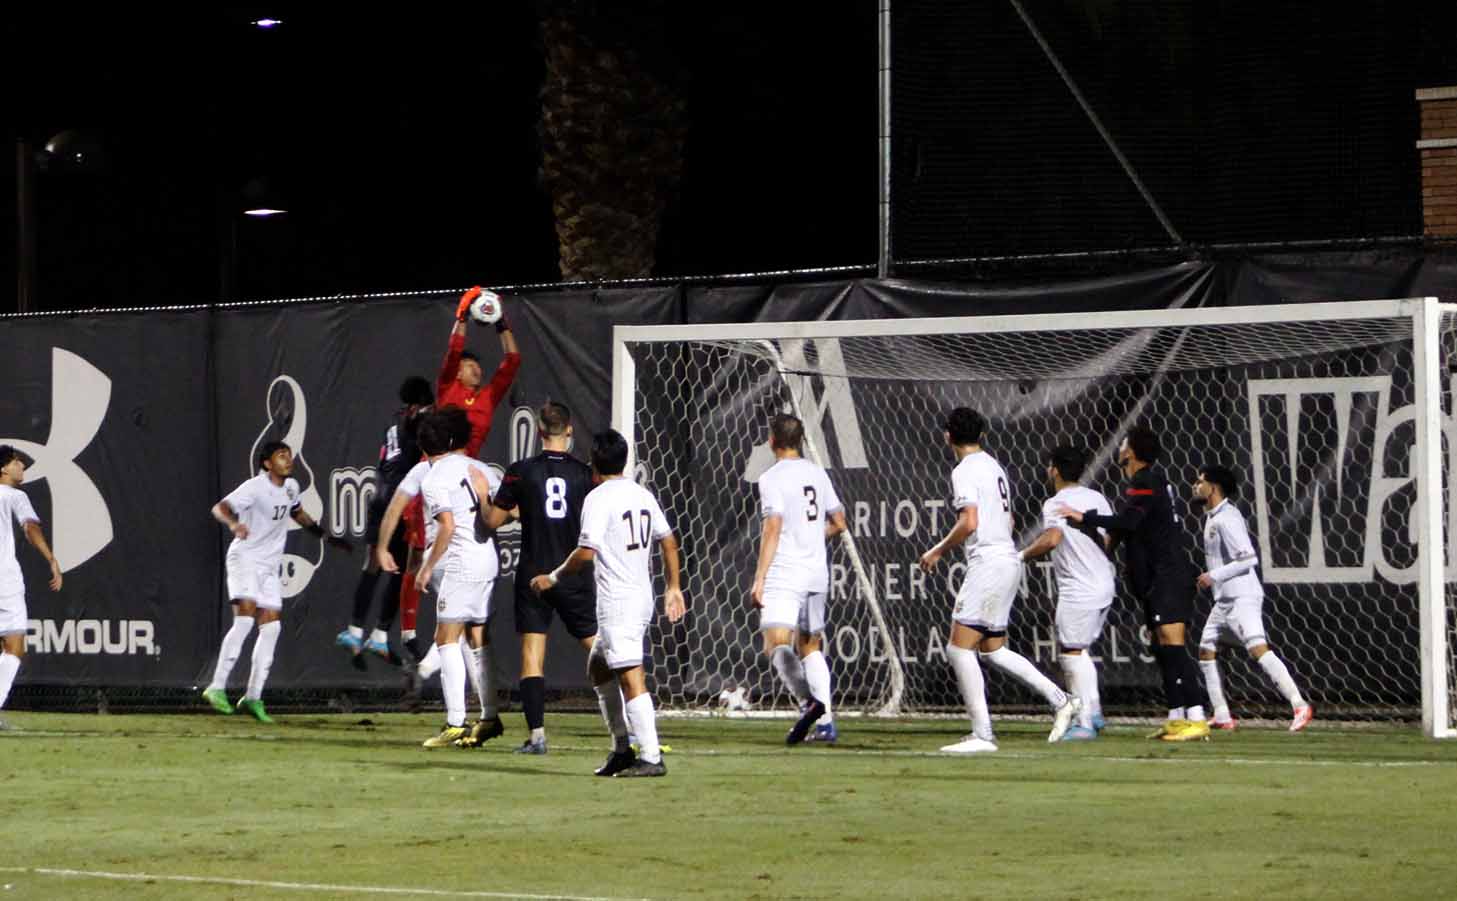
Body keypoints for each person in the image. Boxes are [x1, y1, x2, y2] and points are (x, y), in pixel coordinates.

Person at [920, 408, 1080, 753]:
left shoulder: (964, 470)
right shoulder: (994, 466)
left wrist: (937, 550)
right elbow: (1008, 520)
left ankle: (983, 735)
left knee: (958, 648)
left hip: (989, 563)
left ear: (947, 436)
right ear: (982, 435)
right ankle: (1061, 699)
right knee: (992, 650)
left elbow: (970, 521)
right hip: (1006, 558)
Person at [530, 430, 685, 778]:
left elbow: (587, 552)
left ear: (593, 463)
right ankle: (621, 749)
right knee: (598, 668)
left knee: (631, 678)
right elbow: (669, 540)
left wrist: (552, 577)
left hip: (619, 601)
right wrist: (673, 586)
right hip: (638, 596)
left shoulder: (599, 498)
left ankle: (649, 756)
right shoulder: (641, 494)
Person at [1060, 425, 1211, 742]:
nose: (1120, 446)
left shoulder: (1146, 479)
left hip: (1168, 575)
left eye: (1124, 443)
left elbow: (1128, 521)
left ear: (1132, 450)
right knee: (1162, 647)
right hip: (1158, 577)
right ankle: (1176, 716)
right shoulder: (1148, 481)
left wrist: (1084, 517)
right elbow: (1133, 526)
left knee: (1174, 646)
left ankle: (1197, 715)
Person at [396, 287, 524, 663]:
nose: (476, 369)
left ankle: (445, 648)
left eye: (477, 366)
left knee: (468, 552)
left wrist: (501, 321)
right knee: (418, 553)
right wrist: (463, 317)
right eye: (471, 365)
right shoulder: (447, 388)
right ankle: (409, 634)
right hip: (435, 473)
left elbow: (512, 360)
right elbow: (452, 353)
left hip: (466, 479)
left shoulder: (486, 397)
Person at [479, 401, 597, 755]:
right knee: (600, 649)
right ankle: (637, 725)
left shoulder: (520, 472)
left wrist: (483, 497)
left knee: (532, 655)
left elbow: (492, 522)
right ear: (570, 430)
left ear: (540, 431)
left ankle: (538, 737)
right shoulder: (584, 474)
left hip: (533, 574)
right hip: (572, 571)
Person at [204, 441, 350, 723]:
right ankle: (216, 687)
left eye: (289, 455)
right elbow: (219, 508)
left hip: (269, 567)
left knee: (271, 629)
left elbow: (297, 512)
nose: (287, 459)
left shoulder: (292, 486)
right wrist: (234, 524)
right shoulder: (255, 487)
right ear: (267, 463)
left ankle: (253, 697)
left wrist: (325, 536)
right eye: (280, 456)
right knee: (245, 621)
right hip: (245, 558)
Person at [749, 413, 847, 745]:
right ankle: (826, 724)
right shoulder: (816, 473)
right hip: (816, 571)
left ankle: (810, 703)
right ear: (801, 441)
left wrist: (760, 577)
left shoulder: (771, 478)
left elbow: (773, 527)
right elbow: (839, 521)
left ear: (772, 440)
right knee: (810, 645)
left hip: (786, 571)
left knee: (776, 642)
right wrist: (812, 537)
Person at [1192, 464, 1313, 732]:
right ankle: (1222, 715)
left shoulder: (1228, 518)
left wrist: (1214, 575)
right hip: (1224, 600)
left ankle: (1299, 705)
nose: (1195, 485)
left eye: (1200, 481)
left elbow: (1248, 558)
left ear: (1213, 487)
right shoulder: (1213, 517)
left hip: (1242, 597)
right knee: (1205, 650)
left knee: (1258, 650)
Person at [415, 408, 505, 749]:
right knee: (478, 637)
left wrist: (425, 568)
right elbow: (506, 511)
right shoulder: (481, 468)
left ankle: (455, 722)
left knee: (446, 639)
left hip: (462, 563)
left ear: (425, 449)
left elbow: (447, 528)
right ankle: (490, 715)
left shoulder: (434, 477)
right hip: (488, 561)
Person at [1018, 445, 1115, 741]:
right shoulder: (1096, 497)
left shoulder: (1055, 503)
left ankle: (1084, 722)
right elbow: (1110, 537)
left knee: (1071, 654)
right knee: (1080, 650)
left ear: (1055, 470)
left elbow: (1052, 538)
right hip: (1105, 583)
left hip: (1080, 588)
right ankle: (1095, 713)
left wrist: (1020, 556)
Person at [336, 376, 432, 662]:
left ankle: (356, 630)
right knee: (401, 568)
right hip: (400, 498)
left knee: (374, 565)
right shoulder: (419, 419)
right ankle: (378, 635)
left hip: (380, 495)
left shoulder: (395, 419)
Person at [0, 446, 62, 729]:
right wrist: (51, 559)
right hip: (4, 579)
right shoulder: (15, 495)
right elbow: (30, 528)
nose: (22, 464)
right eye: (15, 461)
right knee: (14, 646)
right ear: (3, 469)